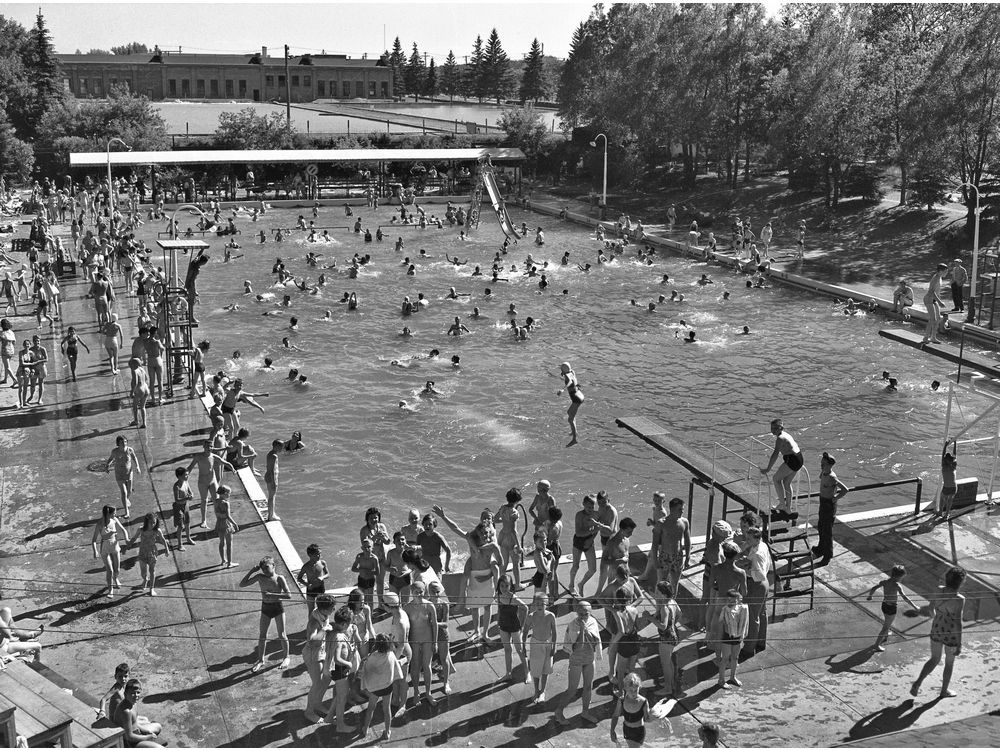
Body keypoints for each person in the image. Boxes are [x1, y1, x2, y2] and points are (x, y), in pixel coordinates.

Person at [911, 566, 967, 698]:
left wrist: (938, 618)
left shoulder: (938, 590)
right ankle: (943, 691)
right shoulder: (959, 599)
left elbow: (931, 610)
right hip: (951, 633)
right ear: (961, 582)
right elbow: (958, 623)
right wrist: (959, 644)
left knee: (934, 659)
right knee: (949, 663)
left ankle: (918, 683)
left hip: (937, 627)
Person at [554, 598, 603, 725]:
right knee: (572, 689)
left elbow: (595, 642)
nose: (583, 616)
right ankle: (559, 711)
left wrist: (586, 631)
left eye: (586, 613)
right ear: (576, 612)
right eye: (581, 613)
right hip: (576, 659)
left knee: (588, 687)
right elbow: (577, 647)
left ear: (590, 613)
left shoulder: (592, 622)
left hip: (589, 659)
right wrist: (582, 630)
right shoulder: (572, 625)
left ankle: (585, 712)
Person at [242, 556, 291, 673]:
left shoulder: (279, 578)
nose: (264, 570)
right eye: (262, 568)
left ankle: (286, 657)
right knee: (262, 635)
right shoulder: (260, 577)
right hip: (266, 608)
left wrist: (272, 595)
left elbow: (289, 595)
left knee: (282, 634)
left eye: (267, 567)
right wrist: (251, 571)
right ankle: (260, 660)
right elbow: (242, 584)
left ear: (274, 566)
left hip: (278, 608)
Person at [359, 633, 404, 741]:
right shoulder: (391, 655)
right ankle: (387, 731)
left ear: (376, 645)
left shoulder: (372, 657)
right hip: (387, 687)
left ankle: (365, 728)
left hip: (374, 688)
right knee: (386, 708)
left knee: (371, 708)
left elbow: (367, 669)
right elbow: (396, 669)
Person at [567, 495, 613, 598]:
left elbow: (598, 528)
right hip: (578, 542)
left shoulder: (596, 514)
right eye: (588, 507)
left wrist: (591, 539)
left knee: (592, 569)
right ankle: (571, 585)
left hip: (589, 541)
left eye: (592, 507)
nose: (590, 509)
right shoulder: (579, 515)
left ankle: (581, 583)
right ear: (583, 504)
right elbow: (578, 533)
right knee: (576, 566)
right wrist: (593, 530)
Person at [867, 564, 919, 651]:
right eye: (902, 577)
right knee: (886, 626)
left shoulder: (884, 582)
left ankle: (886, 634)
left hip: (884, 605)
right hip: (891, 608)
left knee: (887, 621)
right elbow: (905, 597)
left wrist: (870, 596)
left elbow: (874, 588)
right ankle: (876, 645)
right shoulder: (897, 586)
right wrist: (915, 606)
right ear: (899, 576)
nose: (902, 579)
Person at [759, 418, 804, 521]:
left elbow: (775, 454)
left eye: (776, 428)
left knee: (776, 479)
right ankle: (788, 508)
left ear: (781, 428)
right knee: (787, 482)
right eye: (772, 428)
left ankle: (782, 504)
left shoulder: (781, 438)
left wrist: (768, 469)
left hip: (792, 460)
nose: (773, 430)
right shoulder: (786, 434)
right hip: (799, 459)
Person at [402, 580, 439, 705]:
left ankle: (428, 692)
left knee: (427, 666)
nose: (419, 594)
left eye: (421, 592)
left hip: (427, 639)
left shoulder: (429, 606)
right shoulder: (407, 608)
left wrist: (435, 642)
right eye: (416, 592)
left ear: (425, 592)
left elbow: (435, 625)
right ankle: (417, 691)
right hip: (414, 641)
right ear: (412, 593)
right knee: (416, 666)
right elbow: (404, 627)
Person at [302, 593, 336, 723]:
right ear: (324, 609)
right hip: (313, 654)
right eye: (332, 607)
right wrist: (324, 631)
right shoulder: (314, 621)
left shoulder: (323, 615)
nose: (333, 610)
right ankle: (309, 712)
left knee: (326, 678)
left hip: (322, 651)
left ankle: (317, 704)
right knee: (316, 684)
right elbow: (311, 641)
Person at [812, 452, 848, 564]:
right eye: (821, 463)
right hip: (822, 502)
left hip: (828, 504)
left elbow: (845, 489)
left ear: (829, 465)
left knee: (827, 531)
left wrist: (835, 498)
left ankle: (827, 556)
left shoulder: (832, 477)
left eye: (823, 464)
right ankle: (820, 548)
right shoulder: (823, 472)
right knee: (821, 526)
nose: (821, 465)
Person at [523, 591, 556, 703]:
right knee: (536, 669)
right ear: (534, 605)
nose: (540, 606)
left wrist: (554, 647)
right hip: (536, 644)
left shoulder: (551, 616)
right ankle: (536, 690)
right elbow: (525, 630)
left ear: (547, 604)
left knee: (546, 669)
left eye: (542, 604)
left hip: (547, 644)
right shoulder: (531, 616)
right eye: (537, 604)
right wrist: (523, 646)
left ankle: (543, 691)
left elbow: (554, 633)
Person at [495, 574, 529, 682]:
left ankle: (527, 673)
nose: (504, 589)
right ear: (498, 586)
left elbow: (525, 608)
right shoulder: (498, 596)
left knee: (519, 650)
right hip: (503, 625)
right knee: (507, 649)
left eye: (506, 586)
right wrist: (497, 619)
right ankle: (508, 673)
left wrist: (522, 625)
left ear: (510, 586)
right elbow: (499, 609)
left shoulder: (513, 598)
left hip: (514, 626)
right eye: (502, 586)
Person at [126, 513, 169, 596]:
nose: (152, 525)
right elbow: (134, 538)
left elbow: (163, 540)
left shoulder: (157, 530)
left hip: (152, 552)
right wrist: (129, 544)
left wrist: (167, 549)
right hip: (142, 552)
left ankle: (152, 588)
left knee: (152, 570)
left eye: (154, 522)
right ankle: (145, 579)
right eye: (151, 523)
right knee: (143, 572)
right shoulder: (141, 529)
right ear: (146, 522)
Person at [114, 680, 165, 748]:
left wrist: (146, 730)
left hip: (137, 732)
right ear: (125, 694)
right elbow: (129, 737)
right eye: (132, 693)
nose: (136, 696)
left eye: (138, 692)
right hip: (131, 743)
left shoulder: (133, 702)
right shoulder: (126, 711)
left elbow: (134, 723)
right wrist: (147, 737)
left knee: (158, 727)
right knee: (161, 748)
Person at [655, 496, 691, 594]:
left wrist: (688, 556)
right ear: (672, 509)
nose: (682, 512)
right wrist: (655, 560)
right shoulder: (661, 523)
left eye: (682, 509)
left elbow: (687, 541)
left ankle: (672, 604)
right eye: (680, 509)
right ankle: (659, 607)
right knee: (661, 583)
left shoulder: (684, 522)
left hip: (678, 557)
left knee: (674, 584)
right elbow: (655, 544)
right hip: (664, 556)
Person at [91, 505, 128, 597]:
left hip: (114, 546)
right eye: (114, 512)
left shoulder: (114, 520)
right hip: (105, 547)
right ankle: (110, 590)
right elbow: (94, 540)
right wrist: (95, 551)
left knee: (117, 569)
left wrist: (127, 538)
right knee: (110, 570)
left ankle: (116, 579)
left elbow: (123, 529)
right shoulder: (100, 524)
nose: (116, 514)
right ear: (108, 513)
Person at [714, 588, 748, 688]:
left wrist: (743, 636)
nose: (731, 602)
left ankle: (733, 677)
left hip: (737, 637)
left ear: (738, 599)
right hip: (727, 637)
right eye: (728, 600)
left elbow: (745, 623)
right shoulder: (725, 609)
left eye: (733, 600)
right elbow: (720, 624)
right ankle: (721, 680)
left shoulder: (743, 609)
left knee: (735, 657)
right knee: (724, 659)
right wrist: (718, 640)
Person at [610, 672, 650, 747]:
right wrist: (612, 730)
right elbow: (615, 716)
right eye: (631, 690)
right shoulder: (622, 700)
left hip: (638, 732)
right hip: (627, 730)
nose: (634, 693)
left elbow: (647, 718)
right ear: (625, 688)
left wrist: (657, 716)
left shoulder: (643, 701)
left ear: (639, 687)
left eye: (636, 690)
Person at [106, 435, 140, 519]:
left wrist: (137, 466)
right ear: (118, 443)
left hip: (129, 473)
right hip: (119, 474)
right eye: (121, 442)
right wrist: (107, 466)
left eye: (125, 442)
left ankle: (126, 500)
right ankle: (126, 512)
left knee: (129, 491)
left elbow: (134, 457)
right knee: (124, 492)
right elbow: (110, 459)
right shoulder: (115, 451)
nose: (124, 443)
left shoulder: (130, 450)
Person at [297, 543, 329, 615]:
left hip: (320, 588)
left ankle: (321, 625)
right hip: (311, 589)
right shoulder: (306, 566)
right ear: (310, 555)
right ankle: (311, 625)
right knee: (311, 610)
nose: (319, 556)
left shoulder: (322, 563)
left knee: (321, 608)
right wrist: (307, 584)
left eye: (319, 554)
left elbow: (328, 574)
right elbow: (299, 578)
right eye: (317, 554)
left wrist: (322, 577)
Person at [557, 362, 584, 446]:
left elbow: (569, 382)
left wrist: (563, 389)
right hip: (580, 395)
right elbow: (571, 377)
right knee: (569, 413)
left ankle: (574, 439)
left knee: (570, 419)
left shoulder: (567, 376)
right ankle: (574, 431)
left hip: (576, 398)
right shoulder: (572, 372)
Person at [921, 264, 948, 344]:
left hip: (934, 300)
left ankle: (933, 337)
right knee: (932, 319)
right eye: (945, 271)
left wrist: (939, 300)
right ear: (940, 271)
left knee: (938, 318)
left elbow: (937, 291)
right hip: (929, 299)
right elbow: (931, 292)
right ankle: (925, 338)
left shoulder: (940, 278)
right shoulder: (935, 278)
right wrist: (940, 302)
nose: (946, 273)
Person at [214, 484, 240, 567]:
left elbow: (217, 513)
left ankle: (223, 560)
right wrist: (235, 523)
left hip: (219, 523)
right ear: (225, 493)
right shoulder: (226, 503)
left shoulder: (216, 501)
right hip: (226, 524)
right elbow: (228, 516)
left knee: (221, 543)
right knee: (229, 543)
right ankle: (229, 563)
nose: (229, 495)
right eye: (229, 493)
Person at [352, 537, 380, 610]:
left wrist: (368, 571)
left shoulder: (374, 558)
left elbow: (377, 572)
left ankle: (370, 615)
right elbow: (353, 568)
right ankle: (362, 614)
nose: (367, 549)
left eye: (369, 547)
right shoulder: (359, 557)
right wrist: (360, 570)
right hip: (361, 579)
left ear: (372, 547)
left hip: (370, 580)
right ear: (362, 548)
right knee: (361, 598)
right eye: (365, 547)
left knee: (370, 599)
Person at [171, 466, 194, 550]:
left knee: (187, 523)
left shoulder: (186, 482)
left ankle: (188, 538)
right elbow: (177, 500)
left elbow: (190, 492)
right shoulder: (176, 486)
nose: (187, 476)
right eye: (185, 475)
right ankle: (180, 544)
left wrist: (191, 496)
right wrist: (186, 498)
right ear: (179, 476)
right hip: (178, 507)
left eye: (187, 475)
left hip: (186, 505)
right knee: (180, 526)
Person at [128, 357, 150, 429]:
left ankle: (136, 420)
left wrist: (132, 392)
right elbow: (146, 378)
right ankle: (144, 423)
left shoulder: (135, 371)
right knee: (142, 407)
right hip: (146, 388)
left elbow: (135, 383)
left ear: (133, 365)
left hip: (139, 390)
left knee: (135, 406)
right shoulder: (142, 369)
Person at [264, 439, 283, 521]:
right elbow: (271, 469)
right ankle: (271, 516)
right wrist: (274, 481)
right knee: (272, 497)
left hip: (269, 476)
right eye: (281, 446)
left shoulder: (270, 453)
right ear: (277, 446)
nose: (282, 448)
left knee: (271, 496)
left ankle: (271, 513)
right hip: (272, 477)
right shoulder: (274, 456)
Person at [939, 439, 958, 519]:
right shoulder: (954, 465)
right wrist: (955, 443)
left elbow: (942, 454)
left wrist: (945, 446)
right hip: (954, 487)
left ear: (945, 460)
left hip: (946, 487)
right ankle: (946, 514)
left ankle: (940, 512)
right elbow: (955, 455)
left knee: (942, 498)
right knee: (950, 500)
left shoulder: (943, 466)